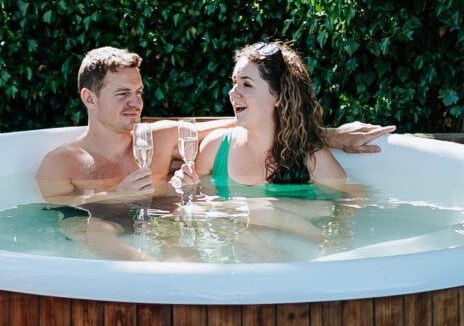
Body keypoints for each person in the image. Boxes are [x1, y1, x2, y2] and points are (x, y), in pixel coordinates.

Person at [35, 45, 390, 258]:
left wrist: (328, 135)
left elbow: (251, 123)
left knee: (232, 224)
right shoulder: (60, 165)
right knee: (93, 231)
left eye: (139, 92)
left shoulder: (161, 138)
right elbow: (66, 218)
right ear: (89, 98)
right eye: (122, 94)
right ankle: (150, 281)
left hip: (164, 228)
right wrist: (118, 195)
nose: (136, 103)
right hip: (109, 230)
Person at [184, 41, 350, 248]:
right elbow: (199, 211)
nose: (233, 92)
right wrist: (187, 189)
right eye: (234, 82)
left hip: (298, 252)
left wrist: (266, 212)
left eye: (247, 84)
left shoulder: (310, 157)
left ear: (278, 96)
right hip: (238, 255)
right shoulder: (215, 147)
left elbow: (346, 204)